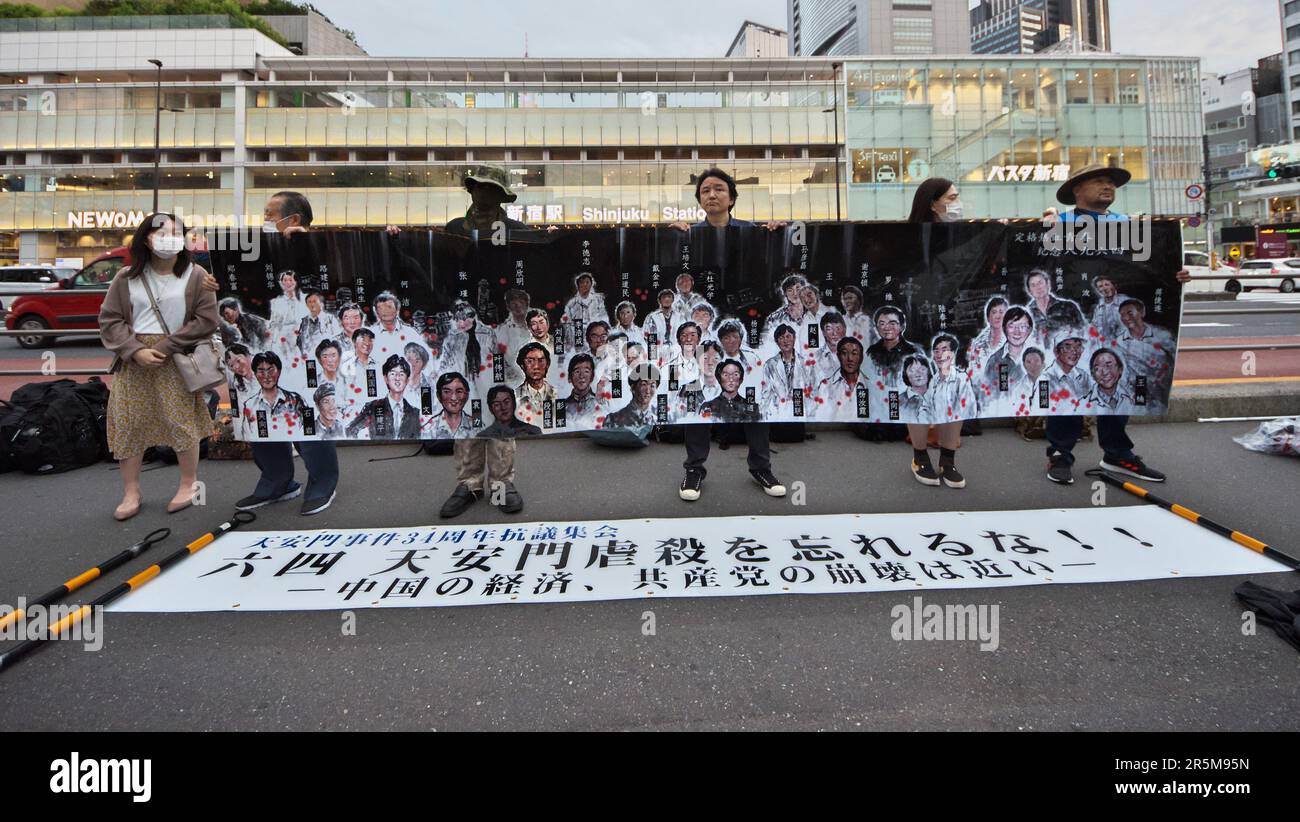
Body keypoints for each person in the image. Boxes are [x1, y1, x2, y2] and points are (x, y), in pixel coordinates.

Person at [1044, 164, 1190, 485]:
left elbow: (1150, 273)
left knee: (1116, 383)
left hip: (1115, 329)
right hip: (1075, 326)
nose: (1108, 187)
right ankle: (1060, 452)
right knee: (1069, 385)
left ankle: (1117, 452)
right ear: (1077, 190)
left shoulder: (1130, 226)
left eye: (1111, 183)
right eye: (1099, 181)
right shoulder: (1059, 224)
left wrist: (1173, 275)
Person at [99, 212, 218, 520]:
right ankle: (131, 490)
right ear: (146, 239)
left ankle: (189, 484)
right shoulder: (126, 277)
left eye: (176, 231)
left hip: (176, 359)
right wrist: (134, 350)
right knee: (128, 423)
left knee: (180, 422)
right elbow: (110, 319)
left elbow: (206, 320)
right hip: (134, 362)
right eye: (161, 232)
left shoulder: (196, 275)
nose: (169, 237)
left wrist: (164, 347)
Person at [227, 192, 339, 516]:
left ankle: (322, 481)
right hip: (264, 349)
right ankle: (277, 480)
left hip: (302, 354)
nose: (264, 220)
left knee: (306, 413)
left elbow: (330, 278)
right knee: (262, 412)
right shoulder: (260, 251)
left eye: (269, 214)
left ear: (294, 220)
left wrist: (306, 244)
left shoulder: (318, 249)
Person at [914, 333, 975, 488]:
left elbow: (968, 407)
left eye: (945, 350)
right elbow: (925, 406)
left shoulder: (961, 378)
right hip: (931, 421)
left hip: (949, 423)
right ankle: (920, 458)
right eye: (936, 350)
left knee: (955, 413)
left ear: (953, 353)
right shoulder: (932, 379)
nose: (940, 355)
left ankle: (947, 461)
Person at [1114, 298, 1175, 412]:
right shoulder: (1119, 342)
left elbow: (1174, 360)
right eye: (1122, 315)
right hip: (1136, 389)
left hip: (1161, 388)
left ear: (1142, 313)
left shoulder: (1162, 335)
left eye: (1130, 313)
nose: (1126, 318)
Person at [346, 355, 421, 440]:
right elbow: (350, 430)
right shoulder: (372, 407)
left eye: (401, 374)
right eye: (392, 373)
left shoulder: (414, 413)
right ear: (386, 378)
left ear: (407, 380)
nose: (397, 378)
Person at [240, 351, 308, 439]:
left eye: (271, 370)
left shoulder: (296, 400)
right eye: (261, 371)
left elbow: (307, 428)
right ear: (255, 374)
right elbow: (247, 435)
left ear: (279, 371)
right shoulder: (250, 405)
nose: (266, 376)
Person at [761, 323, 816, 418]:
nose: (785, 341)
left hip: (802, 412)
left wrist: (811, 415)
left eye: (788, 336)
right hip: (778, 413)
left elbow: (812, 392)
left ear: (794, 338)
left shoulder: (805, 364)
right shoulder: (769, 365)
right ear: (777, 342)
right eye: (781, 338)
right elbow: (766, 394)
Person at [813, 336, 871, 423]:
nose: (850, 359)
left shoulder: (870, 385)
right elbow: (820, 416)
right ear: (838, 356)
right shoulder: (825, 386)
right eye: (844, 353)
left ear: (861, 358)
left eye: (854, 353)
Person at [1042, 335, 1092, 415]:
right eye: (1068, 347)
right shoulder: (1044, 379)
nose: (1075, 352)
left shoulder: (1083, 376)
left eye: (1078, 347)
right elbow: (1042, 410)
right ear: (1056, 351)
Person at [515, 341, 558, 429]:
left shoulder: (557, 394)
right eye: (530, 361)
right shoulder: (515, 396)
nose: (536, 366)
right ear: (522, 365)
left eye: (541, 360)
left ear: (547, 365)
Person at [562, 272, 608, 353]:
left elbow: (604, 316)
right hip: (578, 334)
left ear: (591, 284)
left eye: (587, 282)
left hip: (595, 332)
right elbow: (566, 321)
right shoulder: (571, 303)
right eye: (582, 282)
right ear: (578, 284)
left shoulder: (598, 299)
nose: (585, 284)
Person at [424, 371, 476, 441]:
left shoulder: (476, 427)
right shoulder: (428, 428)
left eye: (459, 391)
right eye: (447, 392)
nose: (453, 398)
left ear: (466, 395)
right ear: (438, 396)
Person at [268, 269, 308, 358]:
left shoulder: (306, 299)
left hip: (303, 335)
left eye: (290, 280)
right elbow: (273, 324)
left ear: (296, 282)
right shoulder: (276, 302)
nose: (288, 283)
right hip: (284, 337)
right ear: (281, 283)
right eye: (285, 280)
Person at [563, 353, 607, 429]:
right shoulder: (563, 407)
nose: (581, 376)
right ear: (570, 377)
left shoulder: (600, 404)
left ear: (592, 376)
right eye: (577, 371)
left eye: (586, 371)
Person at [1084, 348, 1134, 414]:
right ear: (1092, 374)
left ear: (1120, 369)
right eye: (1098, 368)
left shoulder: (1132, 400)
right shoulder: (1082, 404)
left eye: (1109, 365)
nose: (1104, 372)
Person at [297, 290, 343, 358]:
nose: (312, 304)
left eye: (314, 301)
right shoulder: (303, 321)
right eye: (309, 302)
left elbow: (338, 339)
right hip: (307, 357)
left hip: (325, 357)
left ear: (321, 303)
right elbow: (300, 341)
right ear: (306, 305)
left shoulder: (330, 319)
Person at [1089, 275, 1133, 343]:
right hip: (1105, 344)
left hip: (1126, 343)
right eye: (1100, 286)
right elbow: (1094, 325)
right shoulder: (1099, 307)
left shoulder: (1125, 301)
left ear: (1114, 285)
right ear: (1098, 290)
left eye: (1107, 284)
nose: (1104, 288)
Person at [641, 288, 676, 359]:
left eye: (669, 297)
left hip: (675, 351)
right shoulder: (652, 317)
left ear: (673, 300)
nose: (667, 299)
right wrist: (653, 357)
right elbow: (650, 337)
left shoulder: (679, 316)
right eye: (664, 297)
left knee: (674, 369)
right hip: (658, 351)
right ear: (659, 300)